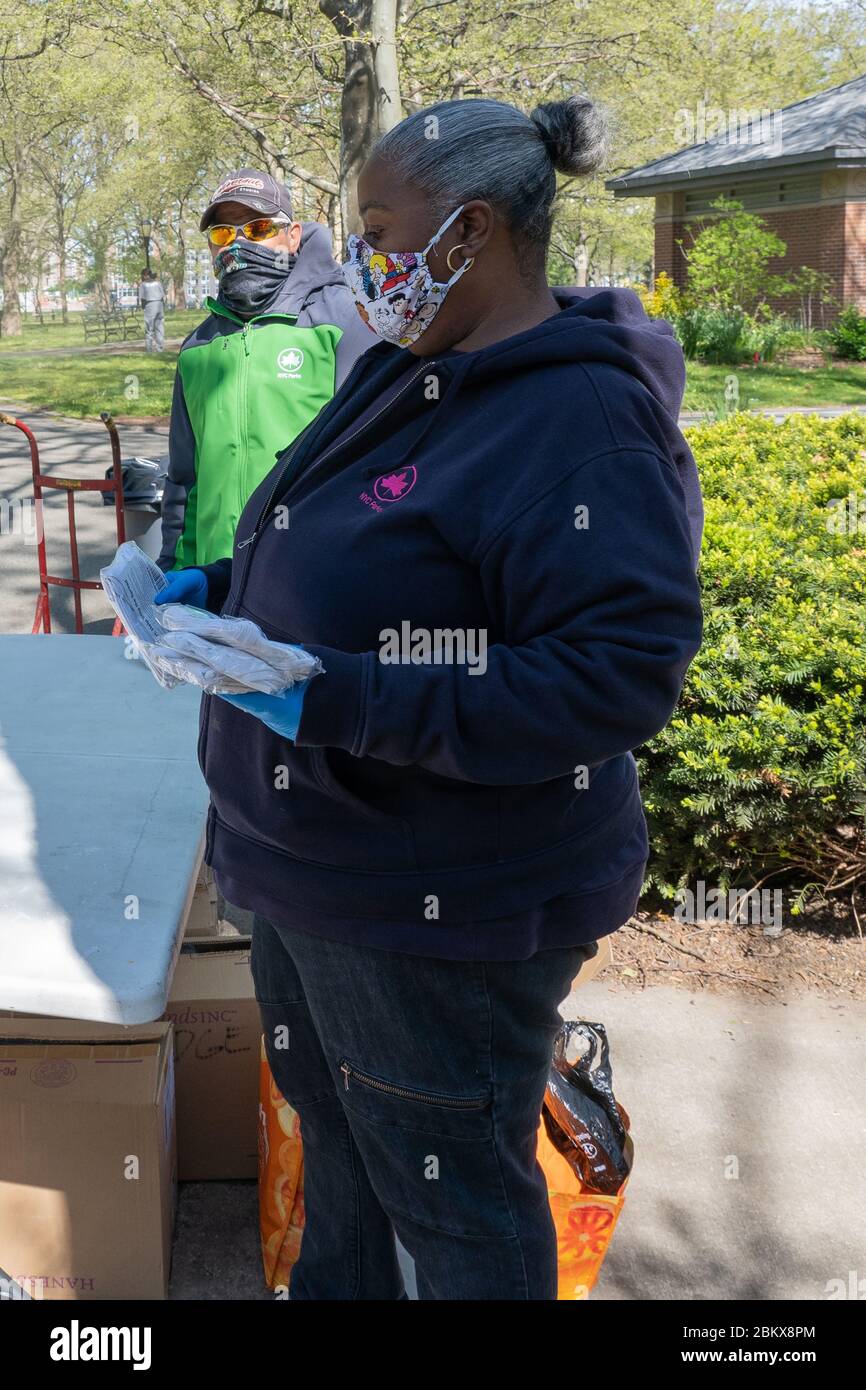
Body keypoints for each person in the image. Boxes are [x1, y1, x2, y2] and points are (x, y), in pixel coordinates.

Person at [156, 96, 704, 1299]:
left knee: (451, 1197)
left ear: (469, 233)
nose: (357, 260)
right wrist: (220, 588)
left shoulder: (580, 419)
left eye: (377, 229)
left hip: (430, 906)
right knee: (340, 1155)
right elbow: (344, 543)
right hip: (311, 867)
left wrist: (336, 701)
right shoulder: (415, 361)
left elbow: (611, 674)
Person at [157, 168, 375, 572]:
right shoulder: (196, 349)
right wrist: (173, 569)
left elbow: (377, 467)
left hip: (311, 584)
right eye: (223, 233)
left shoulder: (345, 323)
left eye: (257, 228)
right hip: (212, 587)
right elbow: (184, 481)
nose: (238, 243)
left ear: (292, 236)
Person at [138, 268, 165, 353]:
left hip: (150, 304)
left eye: (142, 275)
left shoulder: (143, 285)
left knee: (149, 328)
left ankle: (149, 349)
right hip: (159, 304)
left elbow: (142, 298)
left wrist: (143, 307)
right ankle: (160, 349)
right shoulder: (158, 283)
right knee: (159, 327)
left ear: (145, 275)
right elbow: (163, 295)